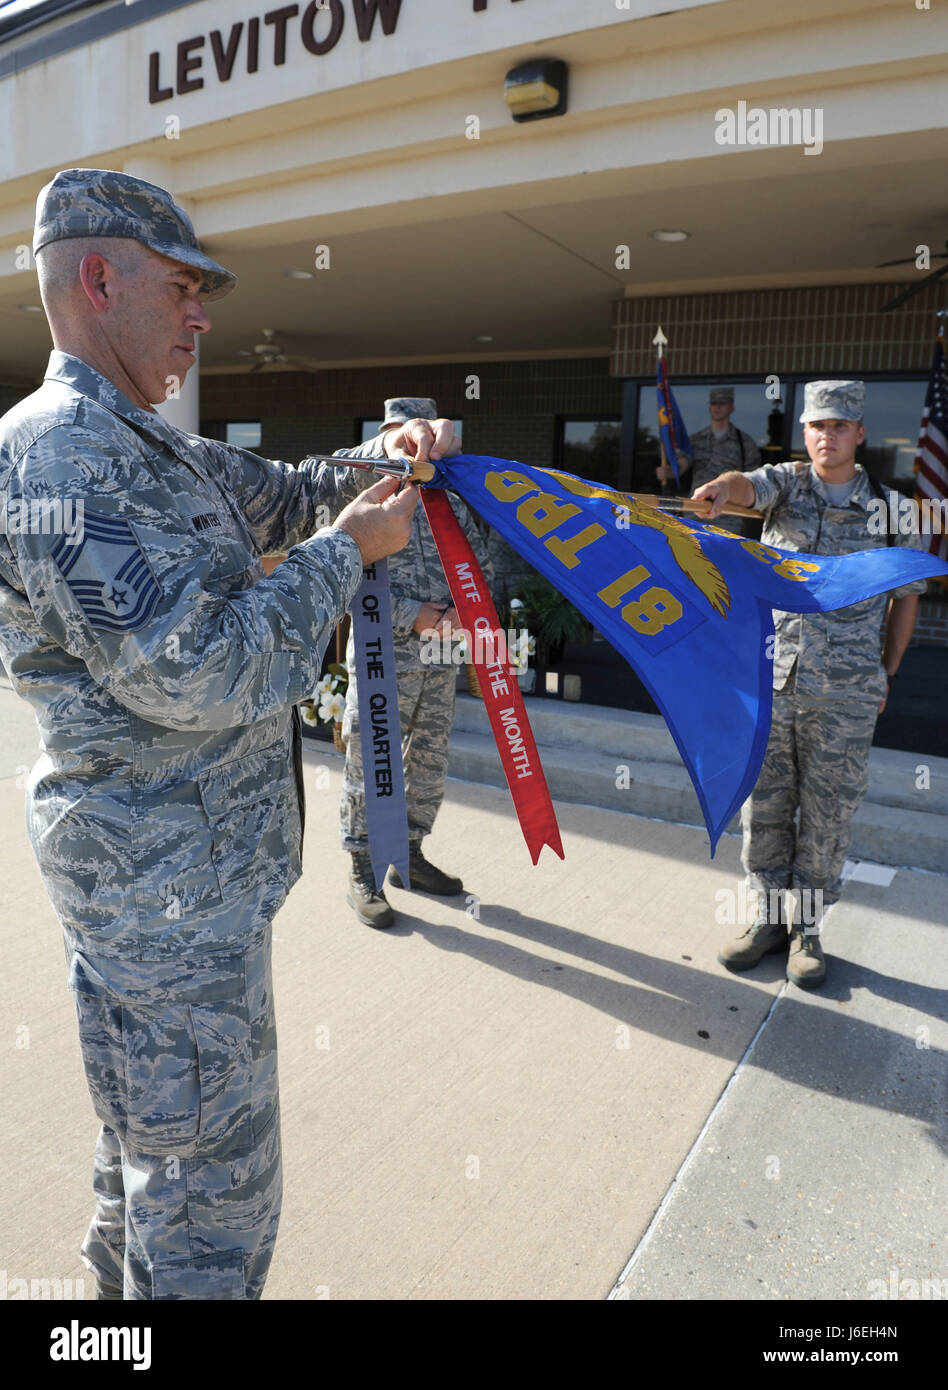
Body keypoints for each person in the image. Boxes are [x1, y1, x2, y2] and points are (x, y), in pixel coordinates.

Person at [0, 168, 461, 1299]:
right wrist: (347, 554)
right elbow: (196, 669)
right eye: (182, 287)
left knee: (147, 1159)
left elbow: (292, 489)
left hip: (168, 884)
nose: (204, 315)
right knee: (213, 1209)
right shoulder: (67, 453)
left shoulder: (150, 446)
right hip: (165, 903)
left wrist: (386, 455)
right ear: (97, 280)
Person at [695, 381, 926, 989]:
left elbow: (906, 599)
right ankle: (767, 920)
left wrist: (887, 672)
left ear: (860, 434)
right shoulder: (786, 485)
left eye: (840, 426)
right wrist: (722, 488)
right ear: (805, 433)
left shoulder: (893, 510)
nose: (828, 436)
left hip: (848, 692)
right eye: (818, 426)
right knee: (766, 806)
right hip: (774, 680)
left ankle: (808, 930)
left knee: (828, 813)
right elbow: (747, 487)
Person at [317, 398, 493, 928]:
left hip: (440, 654)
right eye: (402, 437)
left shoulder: (452, 499)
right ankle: (363, 868)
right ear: (389, 436)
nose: (416, 452)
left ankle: (409, 855)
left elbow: (481, 563)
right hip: (383, 650)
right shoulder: (366, 496)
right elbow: (341, 573)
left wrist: (465, 613)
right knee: (372, 759)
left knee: (428, 757)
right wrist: (416, 614)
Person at [658, 386, 762, 536]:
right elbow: (682, 465)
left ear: (731, 407)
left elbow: (754, 481)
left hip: (728, 515)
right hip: (695, 511)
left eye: (722, 403)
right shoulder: (695, 440)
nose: (717, 407)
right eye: (714, 403)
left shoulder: (745, 443)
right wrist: (668, 472)